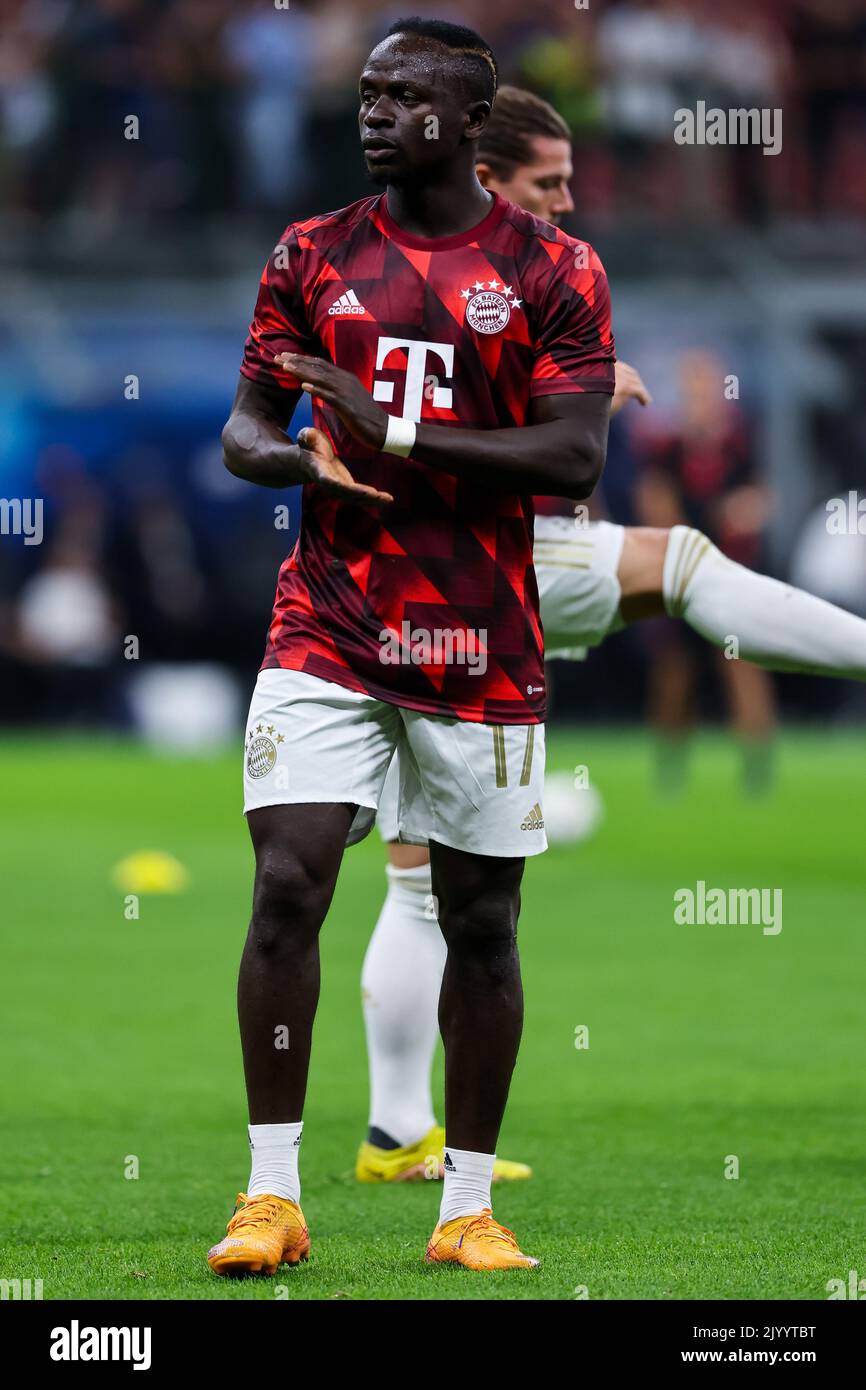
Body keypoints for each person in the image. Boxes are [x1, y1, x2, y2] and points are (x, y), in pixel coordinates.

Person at [357, 85, 866, 1186]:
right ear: (485, 180)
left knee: (411, 872)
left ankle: (394, 1130)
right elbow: (421, 418)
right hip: (457, 569)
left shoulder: (455, 262)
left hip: (430, 584)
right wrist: (572, 393)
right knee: (679, 567)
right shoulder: (453, 276)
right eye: (550, 182)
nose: (571, 200)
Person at [207, 23, 615, 1276]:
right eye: (368, 90)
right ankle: (270, 1196)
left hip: (481, 638)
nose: (372, 110)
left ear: (466, 110)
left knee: (482, 922)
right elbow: (244, 426)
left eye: (400, 93)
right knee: (287, 885)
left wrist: (393, 434)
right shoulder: (311, 252)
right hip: (325, 617)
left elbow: (571, 455)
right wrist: (289, 455)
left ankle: (466, 1207)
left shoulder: (552, 266)